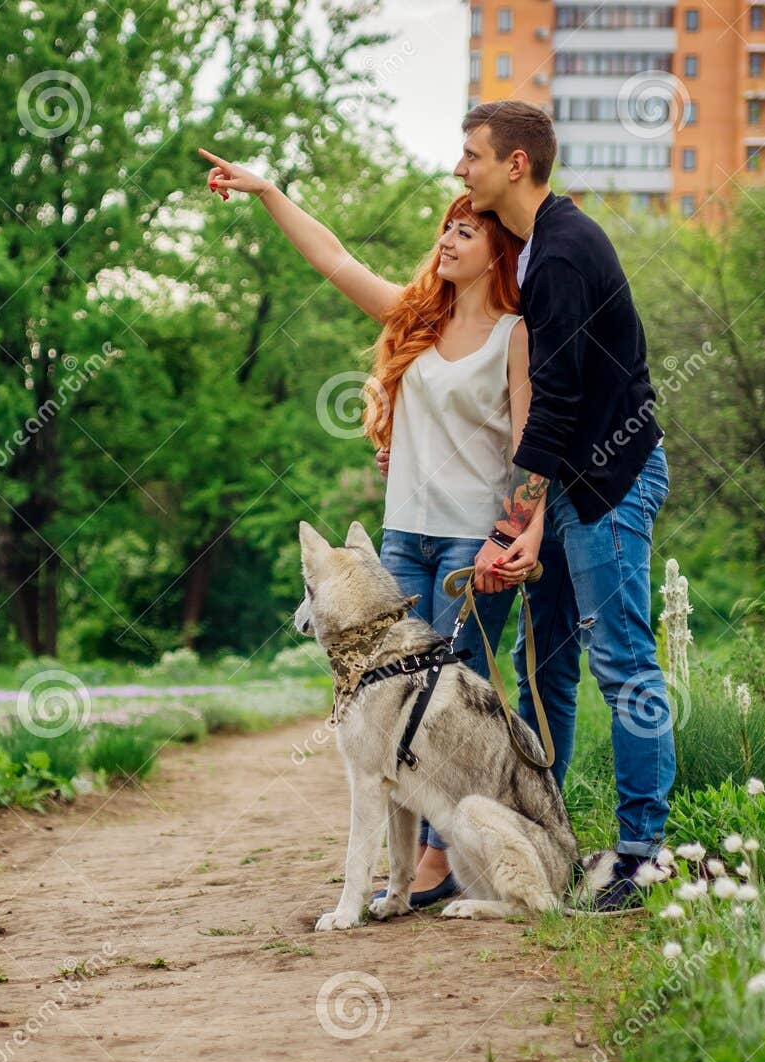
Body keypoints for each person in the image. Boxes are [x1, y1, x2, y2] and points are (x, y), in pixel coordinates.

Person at [198, 145, 554, 907]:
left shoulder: (514, 334)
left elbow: (531, 446)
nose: (449, 239)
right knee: (383, 696)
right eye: (446, 230)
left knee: (447, 704)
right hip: (402, 539)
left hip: (471, 542)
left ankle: (445, 859)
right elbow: (331, 256)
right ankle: (401, 875)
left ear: (498, 250)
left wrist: (518, 531)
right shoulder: (412, 319)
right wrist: (266, 191)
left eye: (467, 229)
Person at [452, 100, 676, 912]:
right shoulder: (545, 245)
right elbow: (554, 411)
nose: (461, 169)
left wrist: (513, 523)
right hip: (572, 491)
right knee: (544, 664)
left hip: (609, 490)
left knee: (622, 662)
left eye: (471, 155)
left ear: (516, 163)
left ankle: (642, 857)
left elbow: (557, 402)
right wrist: (527, 519)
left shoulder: (564, 254)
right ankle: (553, 840)